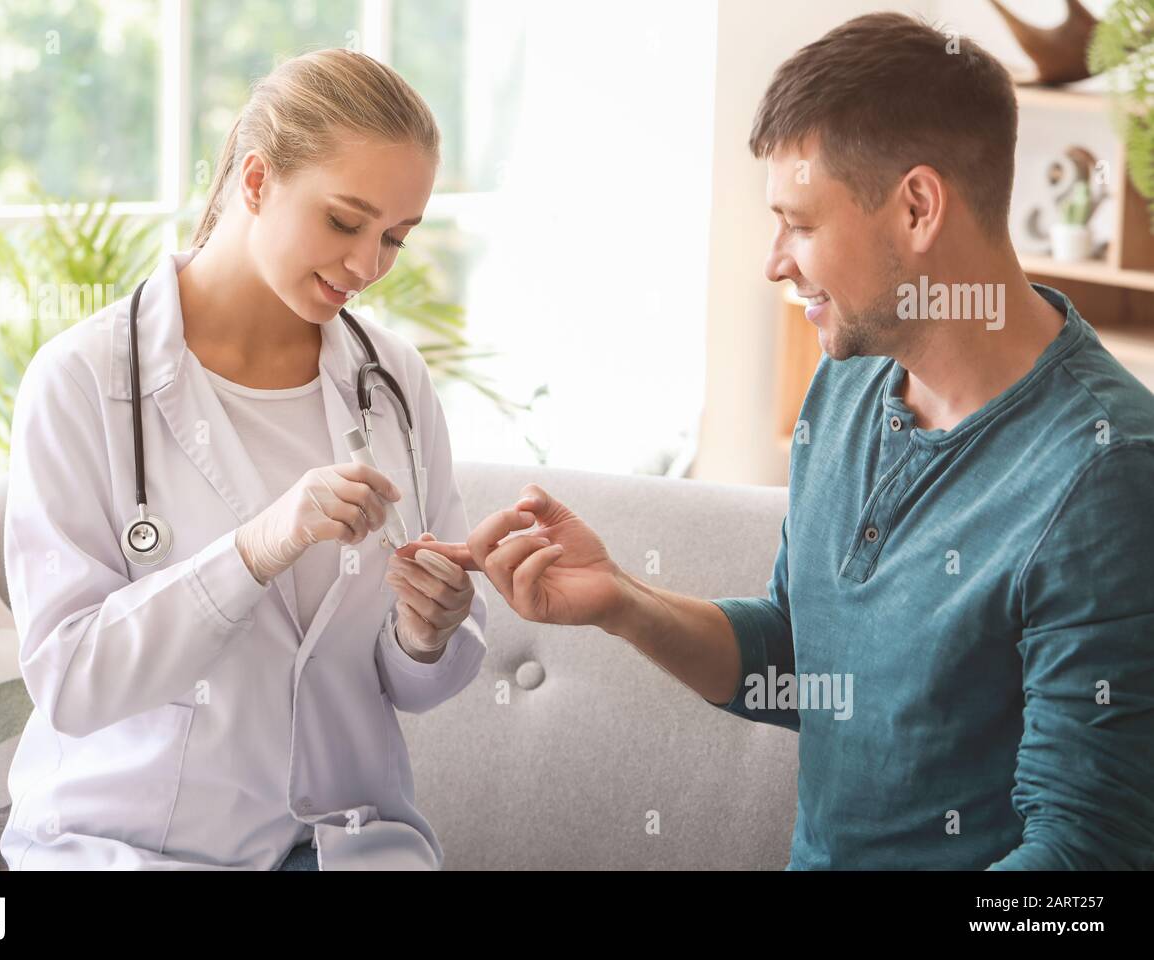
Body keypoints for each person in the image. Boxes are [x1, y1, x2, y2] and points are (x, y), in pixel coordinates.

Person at [416, 13, 1154, 869]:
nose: (775, 261)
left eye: (800, 224)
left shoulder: (1104, 474)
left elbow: (1081, 865)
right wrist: (620, 597)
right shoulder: (845, 381)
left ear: (917, 207)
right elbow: (799, 663)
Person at [0, 48, 486, 871]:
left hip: (347, 841)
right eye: (344, 221)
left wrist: (426, 632)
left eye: (395, 239)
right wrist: (255, 550)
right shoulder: (82, 382)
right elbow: (72, 680)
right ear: (256, 182)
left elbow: (418, 684)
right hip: (132, 844)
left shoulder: (391, 380)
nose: (368, 268)